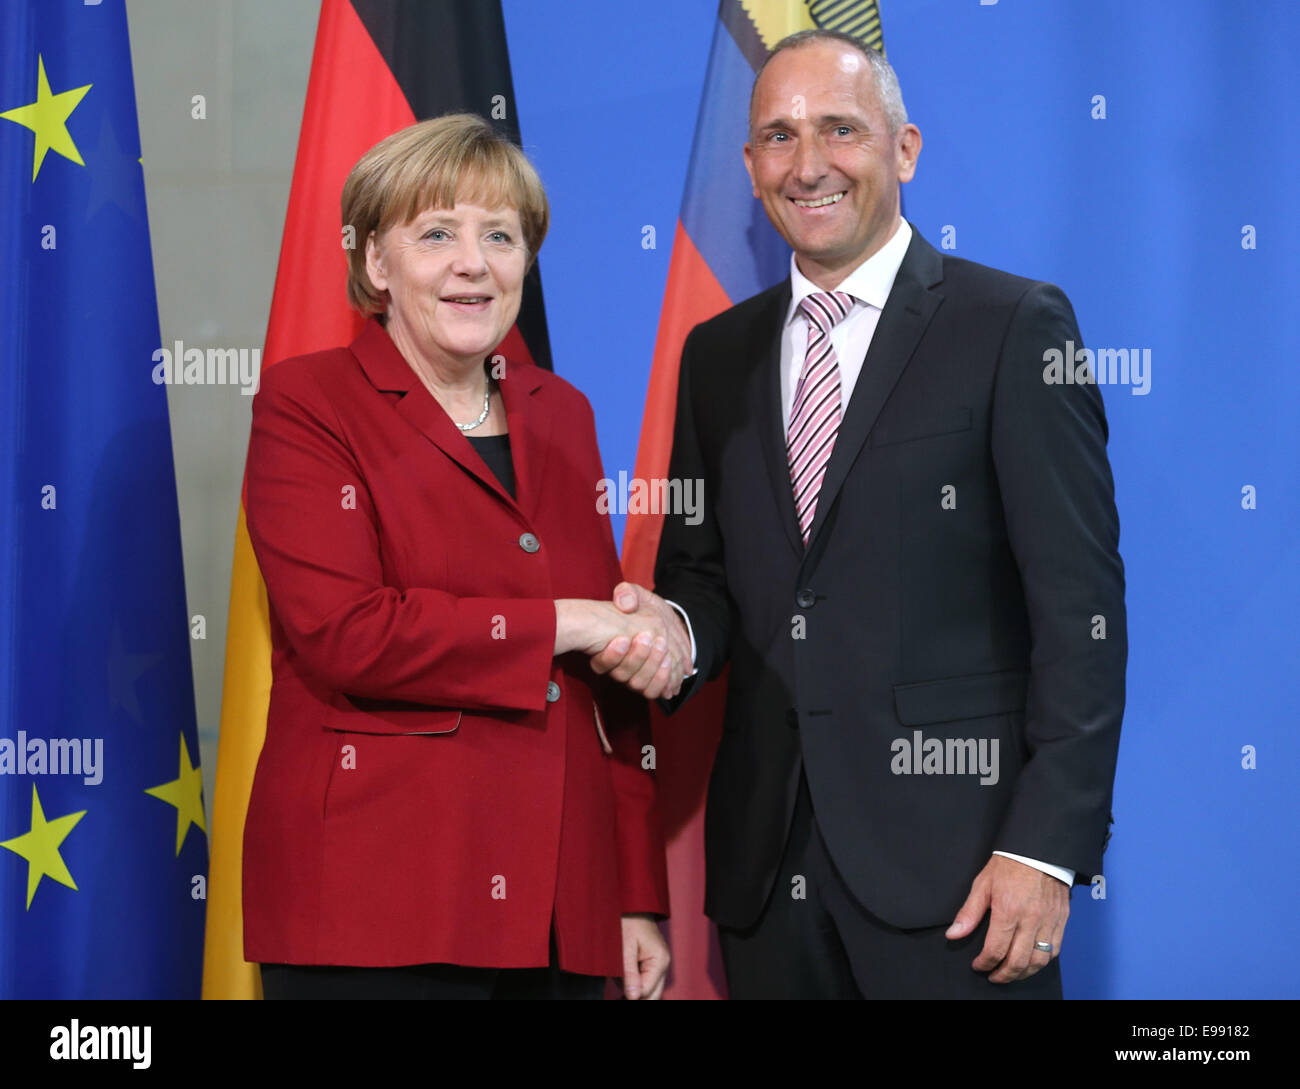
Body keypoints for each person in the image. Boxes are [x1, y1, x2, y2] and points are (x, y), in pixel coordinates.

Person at [593, 30, 1127, 998]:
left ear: (903, 148)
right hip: (764, 878)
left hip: (961, 879)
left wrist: (1044, 852)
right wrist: (668, 630)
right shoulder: (716, 355)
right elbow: (704, 577)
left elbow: (1080, 614)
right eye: (778, 137)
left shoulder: (1010, 327)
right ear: (750, 165)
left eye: (840, 130)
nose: (809, 166)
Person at [240, 114, 684, 1000]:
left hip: (562, 905)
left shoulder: (562, 412)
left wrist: (633, 892)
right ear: (375, 263)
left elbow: (605, 681)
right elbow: (347, 634)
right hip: (377, 899)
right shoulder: (307, 403)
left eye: (500, 237)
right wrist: (566, 620)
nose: (472, 263)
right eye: (436, 233)